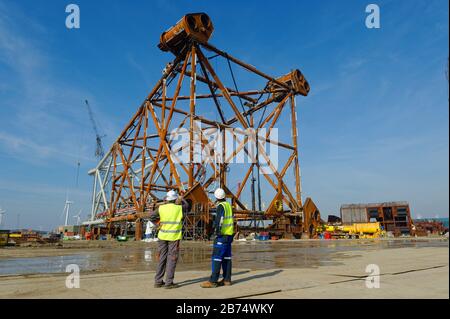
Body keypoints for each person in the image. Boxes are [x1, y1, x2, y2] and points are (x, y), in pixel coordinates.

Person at [149, 190, 189, 289]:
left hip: (162, 236)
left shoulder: (161, 208)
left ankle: (158, 281)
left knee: (162, 258)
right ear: (175, 199)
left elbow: (151, 217)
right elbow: (187, 205)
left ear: (166, 199)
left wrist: (158, 223)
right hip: (174, 237)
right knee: (172, 259)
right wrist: (182, 198)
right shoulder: (179, 208)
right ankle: (169, 282)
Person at [200, 188, 234, 288]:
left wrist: (217, 232)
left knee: (216, 257)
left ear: (216, 197)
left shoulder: (220, 206)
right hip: (229, 235)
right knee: (227, 258)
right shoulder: (228, 205)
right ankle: (227, 280)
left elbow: (220, 220)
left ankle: (213, 281)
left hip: (222, 236)